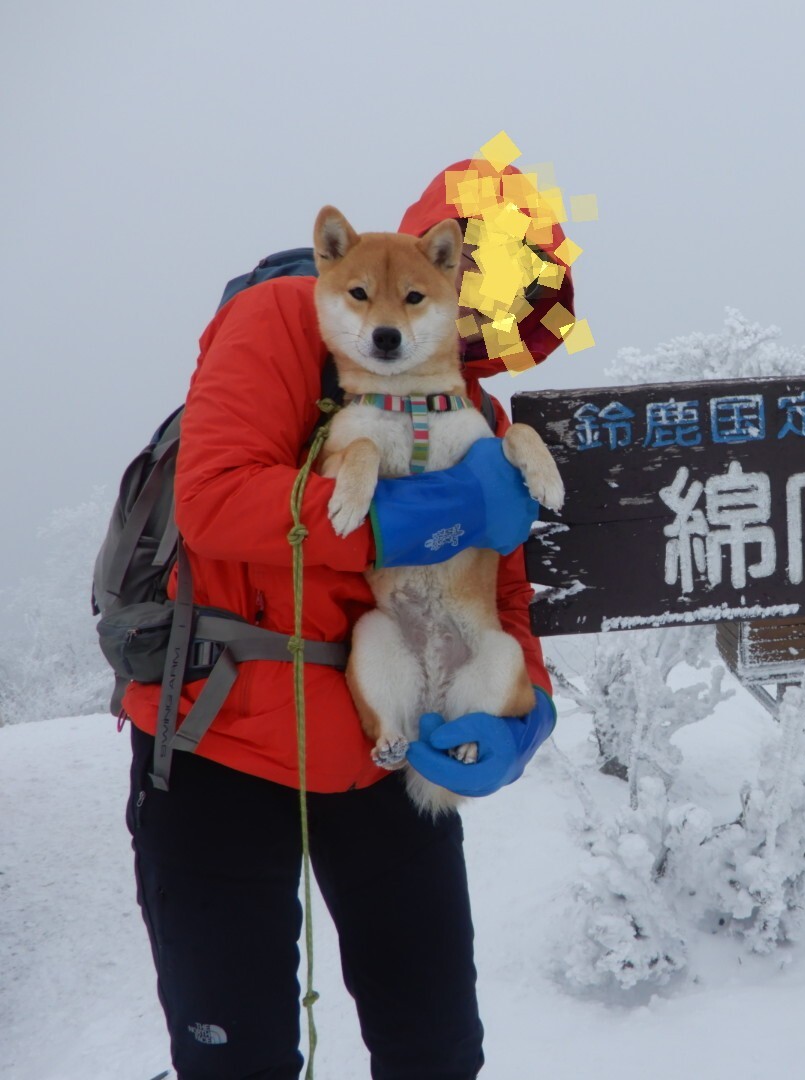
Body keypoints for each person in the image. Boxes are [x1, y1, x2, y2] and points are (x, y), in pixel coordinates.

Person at [121, 157, 574, 1079]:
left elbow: (505, 588)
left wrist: (525, 704)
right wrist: (391, 522)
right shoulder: (275, 321)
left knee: (438, 1048)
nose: (429, 320)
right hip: (222, 744)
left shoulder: (470, 403)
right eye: (472, 284)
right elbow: (213, 500)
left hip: (383, 759)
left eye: (503, 308)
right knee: (235, 1056)